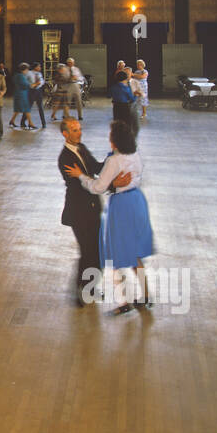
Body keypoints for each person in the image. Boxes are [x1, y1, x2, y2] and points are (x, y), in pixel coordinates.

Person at [65, 119, 154, 315]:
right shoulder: (135, 154)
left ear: (115, 140)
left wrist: (81, 175)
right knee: (134, 254)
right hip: (137, 202)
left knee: (115, 254)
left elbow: (98, 187)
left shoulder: (114, 161)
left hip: (121, 206)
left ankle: (124, 301)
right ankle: (146, 295)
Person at [58, 118, 132, 308]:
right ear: (65, 134)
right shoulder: (65, 158)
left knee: (97, 252)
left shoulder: (81, 148)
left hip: (93, 209)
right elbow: (82, 186)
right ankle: (80, 291)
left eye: (79, 129)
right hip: (78, 211)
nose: (79, 133)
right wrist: (109, 185)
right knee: (87, 251)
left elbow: (96, 168)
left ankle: (90, 289)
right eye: (74, 130)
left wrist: (114, 155)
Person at [110, 70, 138, 138]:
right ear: (125, 79)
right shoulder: (126, 88)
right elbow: (132, 99)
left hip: (116, 106)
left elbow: (109, 95)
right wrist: (136, 95)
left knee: (117, 121)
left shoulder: (113, 87)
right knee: (126, 122)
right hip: (124, 107)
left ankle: (117, 136)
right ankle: (126, 136)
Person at [10, 64, 35, 130]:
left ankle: (12, 121)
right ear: (24, 69)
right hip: (22, 94)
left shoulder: (16, 75)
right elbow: (26, 85)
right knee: (27, 108)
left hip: (18, 93)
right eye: (27, 69)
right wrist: (34, 84)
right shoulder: (21, 76)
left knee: (18, 109)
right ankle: (30, 123)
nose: (27, 71)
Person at [27, 62, 46, 129]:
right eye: (39, 66)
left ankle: (43, 123)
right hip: (31, 91)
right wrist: (34, 84)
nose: (40, 68)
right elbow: (28, 83)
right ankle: (23, 121)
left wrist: (39, 84)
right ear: (35, 67)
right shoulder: (29, 73)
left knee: (40, 107)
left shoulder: (39, 74)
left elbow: (42, 81)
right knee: (29, 107)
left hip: (38, 91)